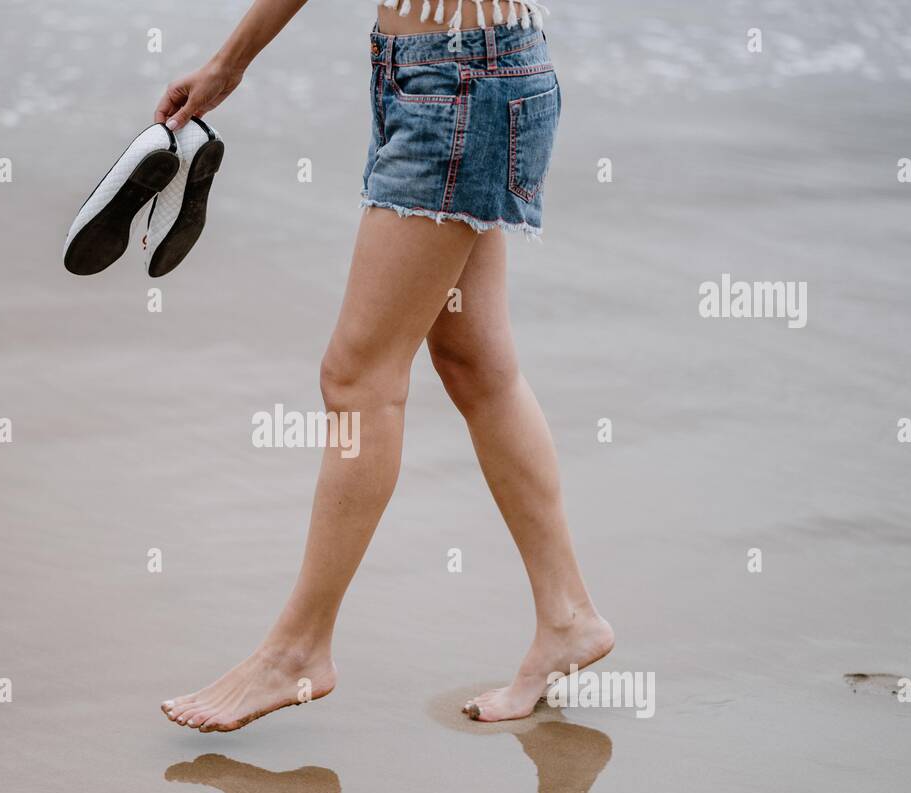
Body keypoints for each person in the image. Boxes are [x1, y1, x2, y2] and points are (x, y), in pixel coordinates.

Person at [159, 0, 613, 732]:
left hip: (461, 85)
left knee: (356, 377)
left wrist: (229, 62)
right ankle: (568, 617)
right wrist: (228, 64)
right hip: (462, 74)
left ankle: (297, 652)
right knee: (475, 363)